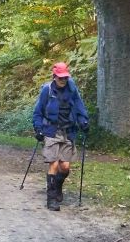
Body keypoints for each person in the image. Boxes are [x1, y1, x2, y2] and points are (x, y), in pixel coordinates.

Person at [32, 62, 89, 211]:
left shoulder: (72, 89)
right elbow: (38, 112)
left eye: (65, 78)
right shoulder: (47, 90)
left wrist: (83, 121)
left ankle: (57, 187)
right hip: (51, 131)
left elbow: (79, 107)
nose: (63, 80)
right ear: (54, 76)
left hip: (68, 131)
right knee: (54, 164)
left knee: (65, 167)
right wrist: (38, 129)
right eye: (60, 78)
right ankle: (51, 199)